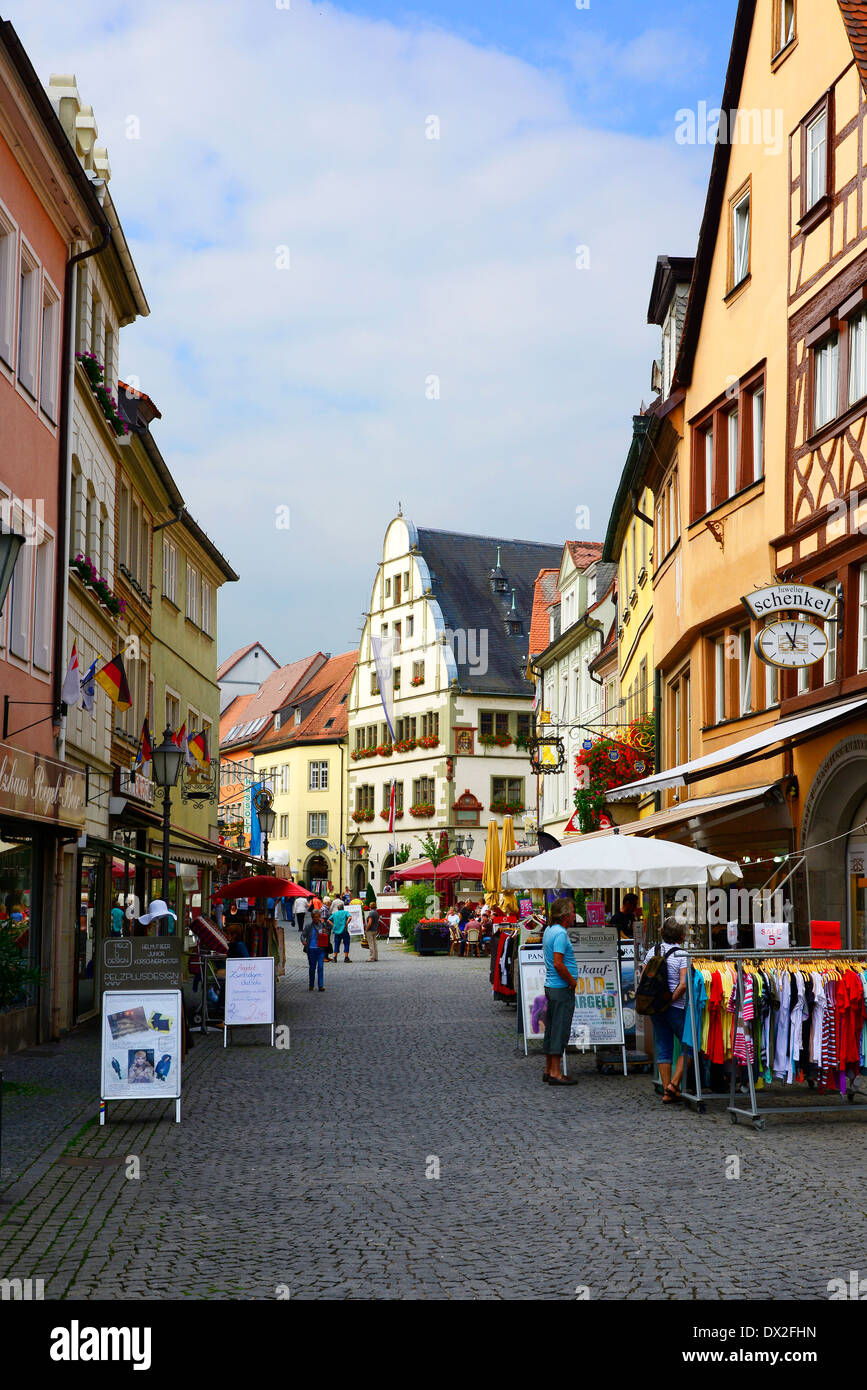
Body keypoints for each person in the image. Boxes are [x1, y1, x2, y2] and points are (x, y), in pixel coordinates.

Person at [642, 917, 689, 1104]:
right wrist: (670, 1000)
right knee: (689, 1045)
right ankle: (673, 1085)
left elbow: (644, 979)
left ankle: (666, 1090)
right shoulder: (682, 955)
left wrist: (658, 1001)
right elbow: (683, 984)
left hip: (656, 1008)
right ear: (681, 935)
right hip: (675, 1006)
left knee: (663, 1047)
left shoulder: (652, 952)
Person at [542, 898, 579, 1086]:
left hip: (551, 986)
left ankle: (549, 1069)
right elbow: (558, 962)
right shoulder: (561, 934)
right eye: (572, 912)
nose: (574, 915)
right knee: (559, 1029)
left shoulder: (549, 930)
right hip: (560, 987)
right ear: (565, 915)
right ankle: (556, 1072)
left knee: (551, 1027)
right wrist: (572, 981)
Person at [300, 908, 328, 991]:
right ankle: (311, 984)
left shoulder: (322, 925)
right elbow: (302, 935)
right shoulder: (308, 926)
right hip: (311, 949)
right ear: (312, 917)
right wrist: (303, 941)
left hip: (321, 949)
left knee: (320, 967)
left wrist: (325, 930)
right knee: (312, 968)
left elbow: (328, 934)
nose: (316, 918)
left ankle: (320, 985)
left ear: (319, 917)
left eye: (317, 917)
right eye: (314, 917)